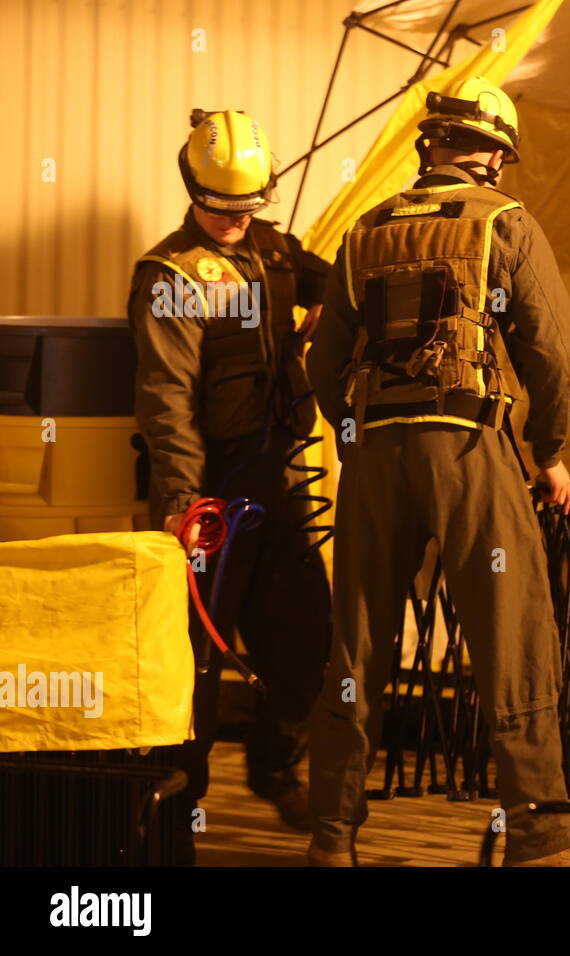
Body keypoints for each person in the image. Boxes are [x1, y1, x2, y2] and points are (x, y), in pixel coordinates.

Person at [305, 76, 570, 867]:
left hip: (376, 457)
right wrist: (547, 453)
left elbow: (322, 359)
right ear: (496, 155)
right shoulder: (505, 224)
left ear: (430, 144)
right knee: (510, 630)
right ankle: (538, 828)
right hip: (468, 447)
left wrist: (354, 437)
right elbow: (551, 356)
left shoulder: (364, 230)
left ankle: (333, 836)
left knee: (358, 646)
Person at [127, 109, 333, 862]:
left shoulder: (278, 253)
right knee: (196, 665)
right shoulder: (170, 275)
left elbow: (341, 288)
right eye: (219, 207)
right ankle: (178, 810)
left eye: (246, 207)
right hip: (208, 489)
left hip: (275, 477)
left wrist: (321, 315)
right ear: (192, 189)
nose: (232, 221)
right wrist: (185, 508)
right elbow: (167, 403)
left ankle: (277, 768)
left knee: (308, 636)